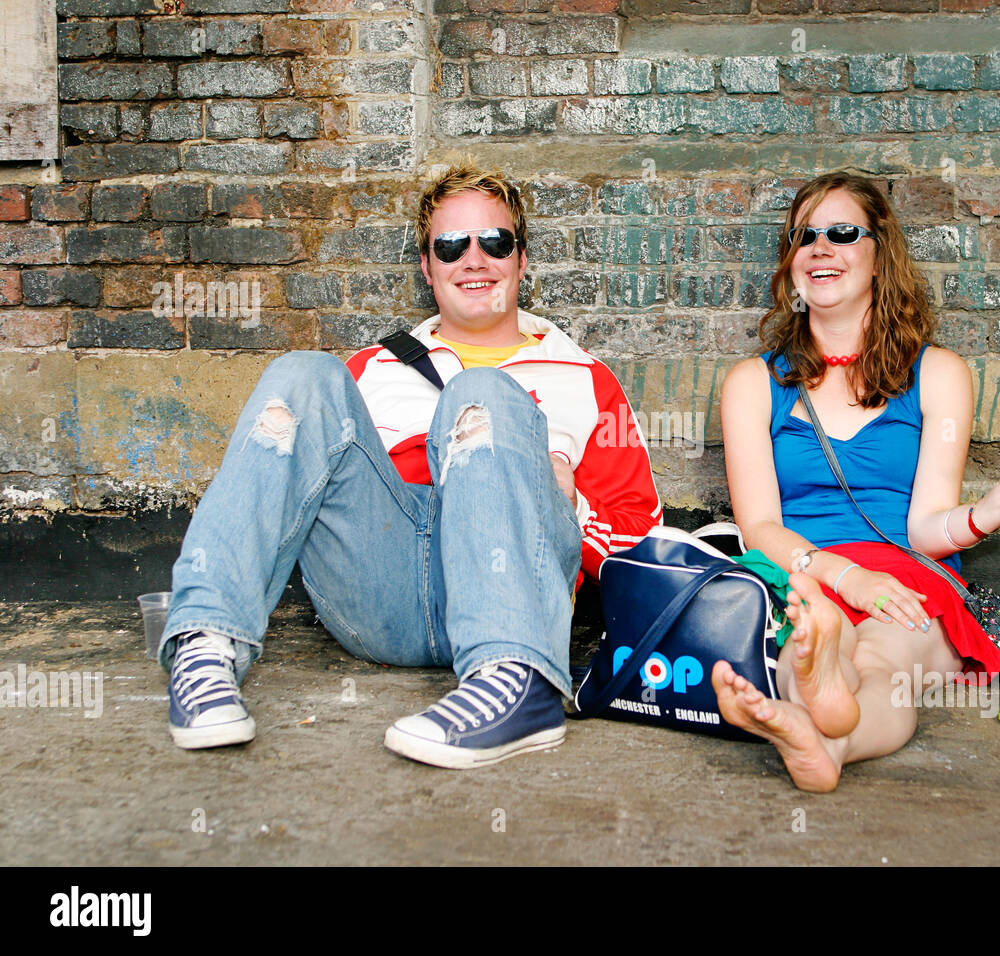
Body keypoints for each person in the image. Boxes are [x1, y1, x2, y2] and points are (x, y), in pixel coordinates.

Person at [159, 161, 662, 769]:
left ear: (521, 260)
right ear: (428, 267)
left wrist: (564, 501)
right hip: (381, 585)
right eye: (451, 246)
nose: (473, 260)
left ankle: (515, 676)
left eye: (494, 242)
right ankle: (207, 643)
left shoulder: (585, 378)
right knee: (301, 374)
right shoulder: (376, 367)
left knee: (485, 394)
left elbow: (638, 538)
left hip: (508, 588)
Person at [713, 170, 1000, 792]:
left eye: (842, 232)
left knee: (883, 658)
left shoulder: (938, 374)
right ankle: (822, 725)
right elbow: (760, 528)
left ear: (880, 255)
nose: (820, 248)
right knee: (802, 642)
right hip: (801, 571)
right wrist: (842, 578)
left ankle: (824, 735)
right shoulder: (752, 383)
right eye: (805, 237)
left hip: (901, 574)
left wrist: (998, 505)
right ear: (791, 263)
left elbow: (924, 529)